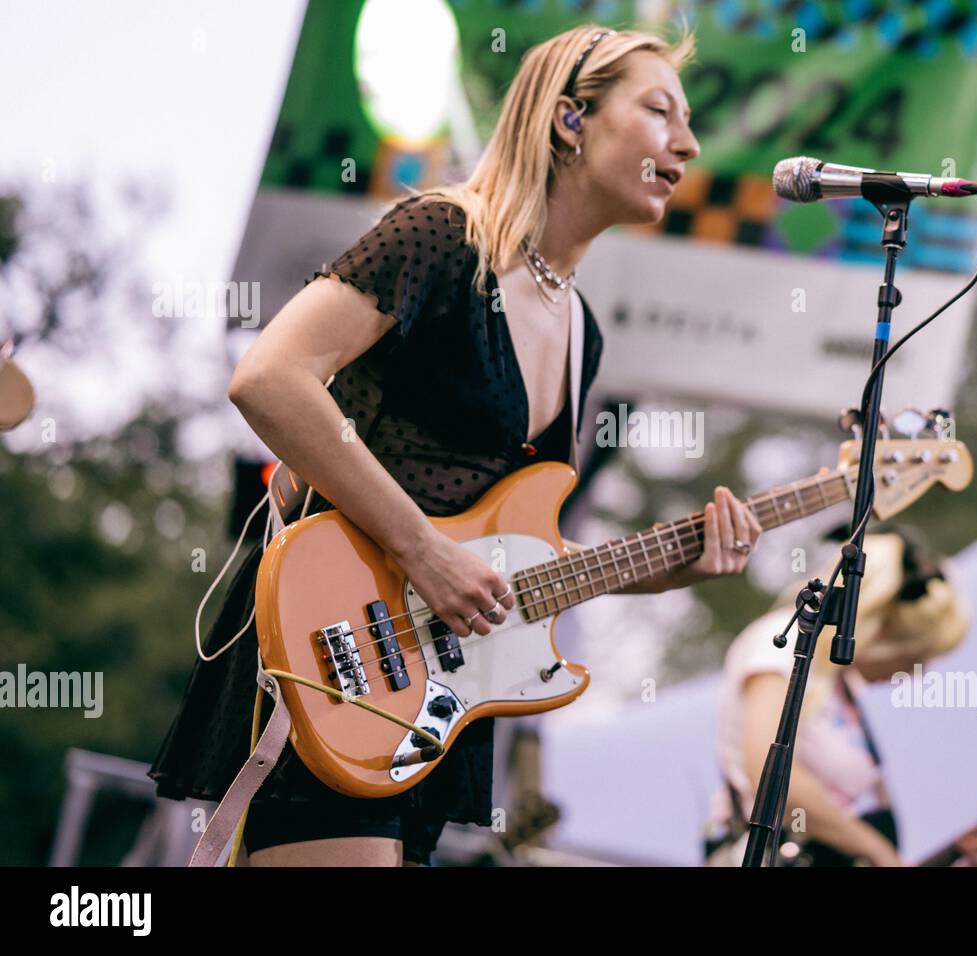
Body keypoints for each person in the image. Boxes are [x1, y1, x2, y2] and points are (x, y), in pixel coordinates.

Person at [149, 24, 765, 867]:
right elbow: (270, 376)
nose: (688, 144)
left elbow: (511, 550)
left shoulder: (583, 332)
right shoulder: (441, 235)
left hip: (434, 702)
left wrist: (671, 564)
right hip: (331, 651)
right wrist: (423, 550)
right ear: (569, 121)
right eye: (659, 110)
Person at [704, 526, 977, 867]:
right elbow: (770, 776)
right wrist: (878, 852)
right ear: (881, 631)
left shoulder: (842, 687)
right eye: (917, 657)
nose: (919, 671)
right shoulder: (780, 645)